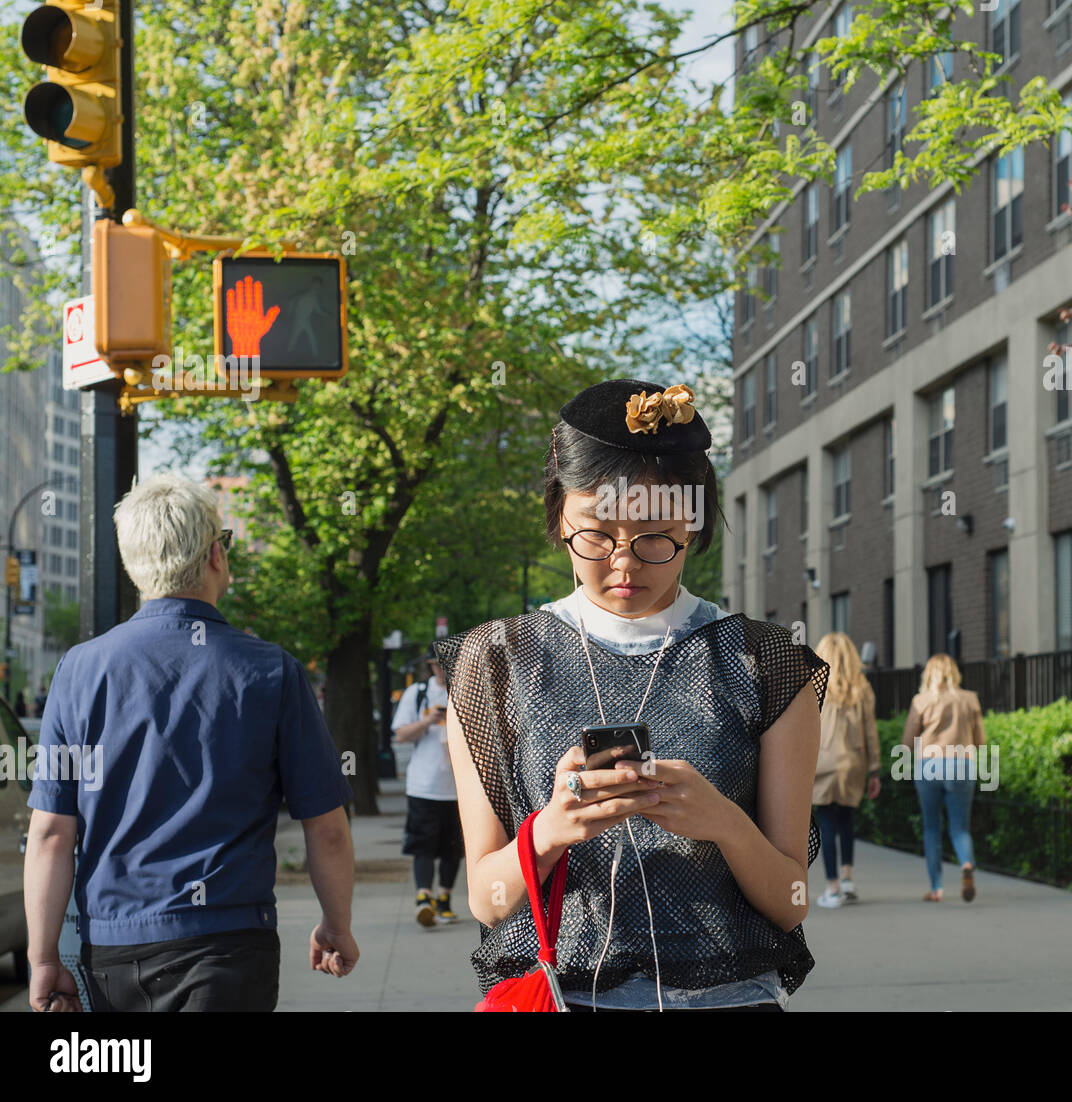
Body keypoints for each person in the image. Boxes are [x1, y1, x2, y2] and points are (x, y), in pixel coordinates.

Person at [436, 378, 829, 1011]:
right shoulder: (496, 663)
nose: (624, 565)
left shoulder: (766, 663)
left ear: (693, 523)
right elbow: (486, 899)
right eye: (594, 533)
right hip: (570, 999)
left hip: (729, 1000)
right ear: (558, 514)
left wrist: (722, 822)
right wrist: (550, 831)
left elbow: (790, 902)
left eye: (654, 537)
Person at [23, 473, 358, 1013]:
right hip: (231, 943)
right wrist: (336, 925)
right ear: (215, 557)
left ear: (134, 566)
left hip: (114, 946)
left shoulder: (78, 672)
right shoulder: (272, 672)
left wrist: (43, 961)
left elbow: (50, 834)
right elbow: (327, 828)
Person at [901, 653, 985, 903]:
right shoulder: (970, 699)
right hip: (961, 763)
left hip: (929, 765)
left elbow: (906, 742)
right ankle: (967, 864)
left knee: (931, 827)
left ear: (929, 674)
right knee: (960, 827)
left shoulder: (922, 700)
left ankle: (937, 888)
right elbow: (980, 742)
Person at [391, 650, 461, 926]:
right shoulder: (417, 693)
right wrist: (428, 721)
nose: (442, 671)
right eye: (437, 666)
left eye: (447, 665)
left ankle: (444, 899)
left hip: (458, 787)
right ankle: (424, 898)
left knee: (453, 847)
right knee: (423, 844)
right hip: (423, 784)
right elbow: (399, 734)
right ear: (431, 667)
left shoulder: (465, 690)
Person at [811, 632, 881, 908]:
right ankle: (849, 879)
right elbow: (870, 732)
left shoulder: (812, 682)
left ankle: (832, 888)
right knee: (847, 819)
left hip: (823, 762)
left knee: (826, 822)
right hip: (854, 762)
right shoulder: (862, 687)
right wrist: (875, 769)